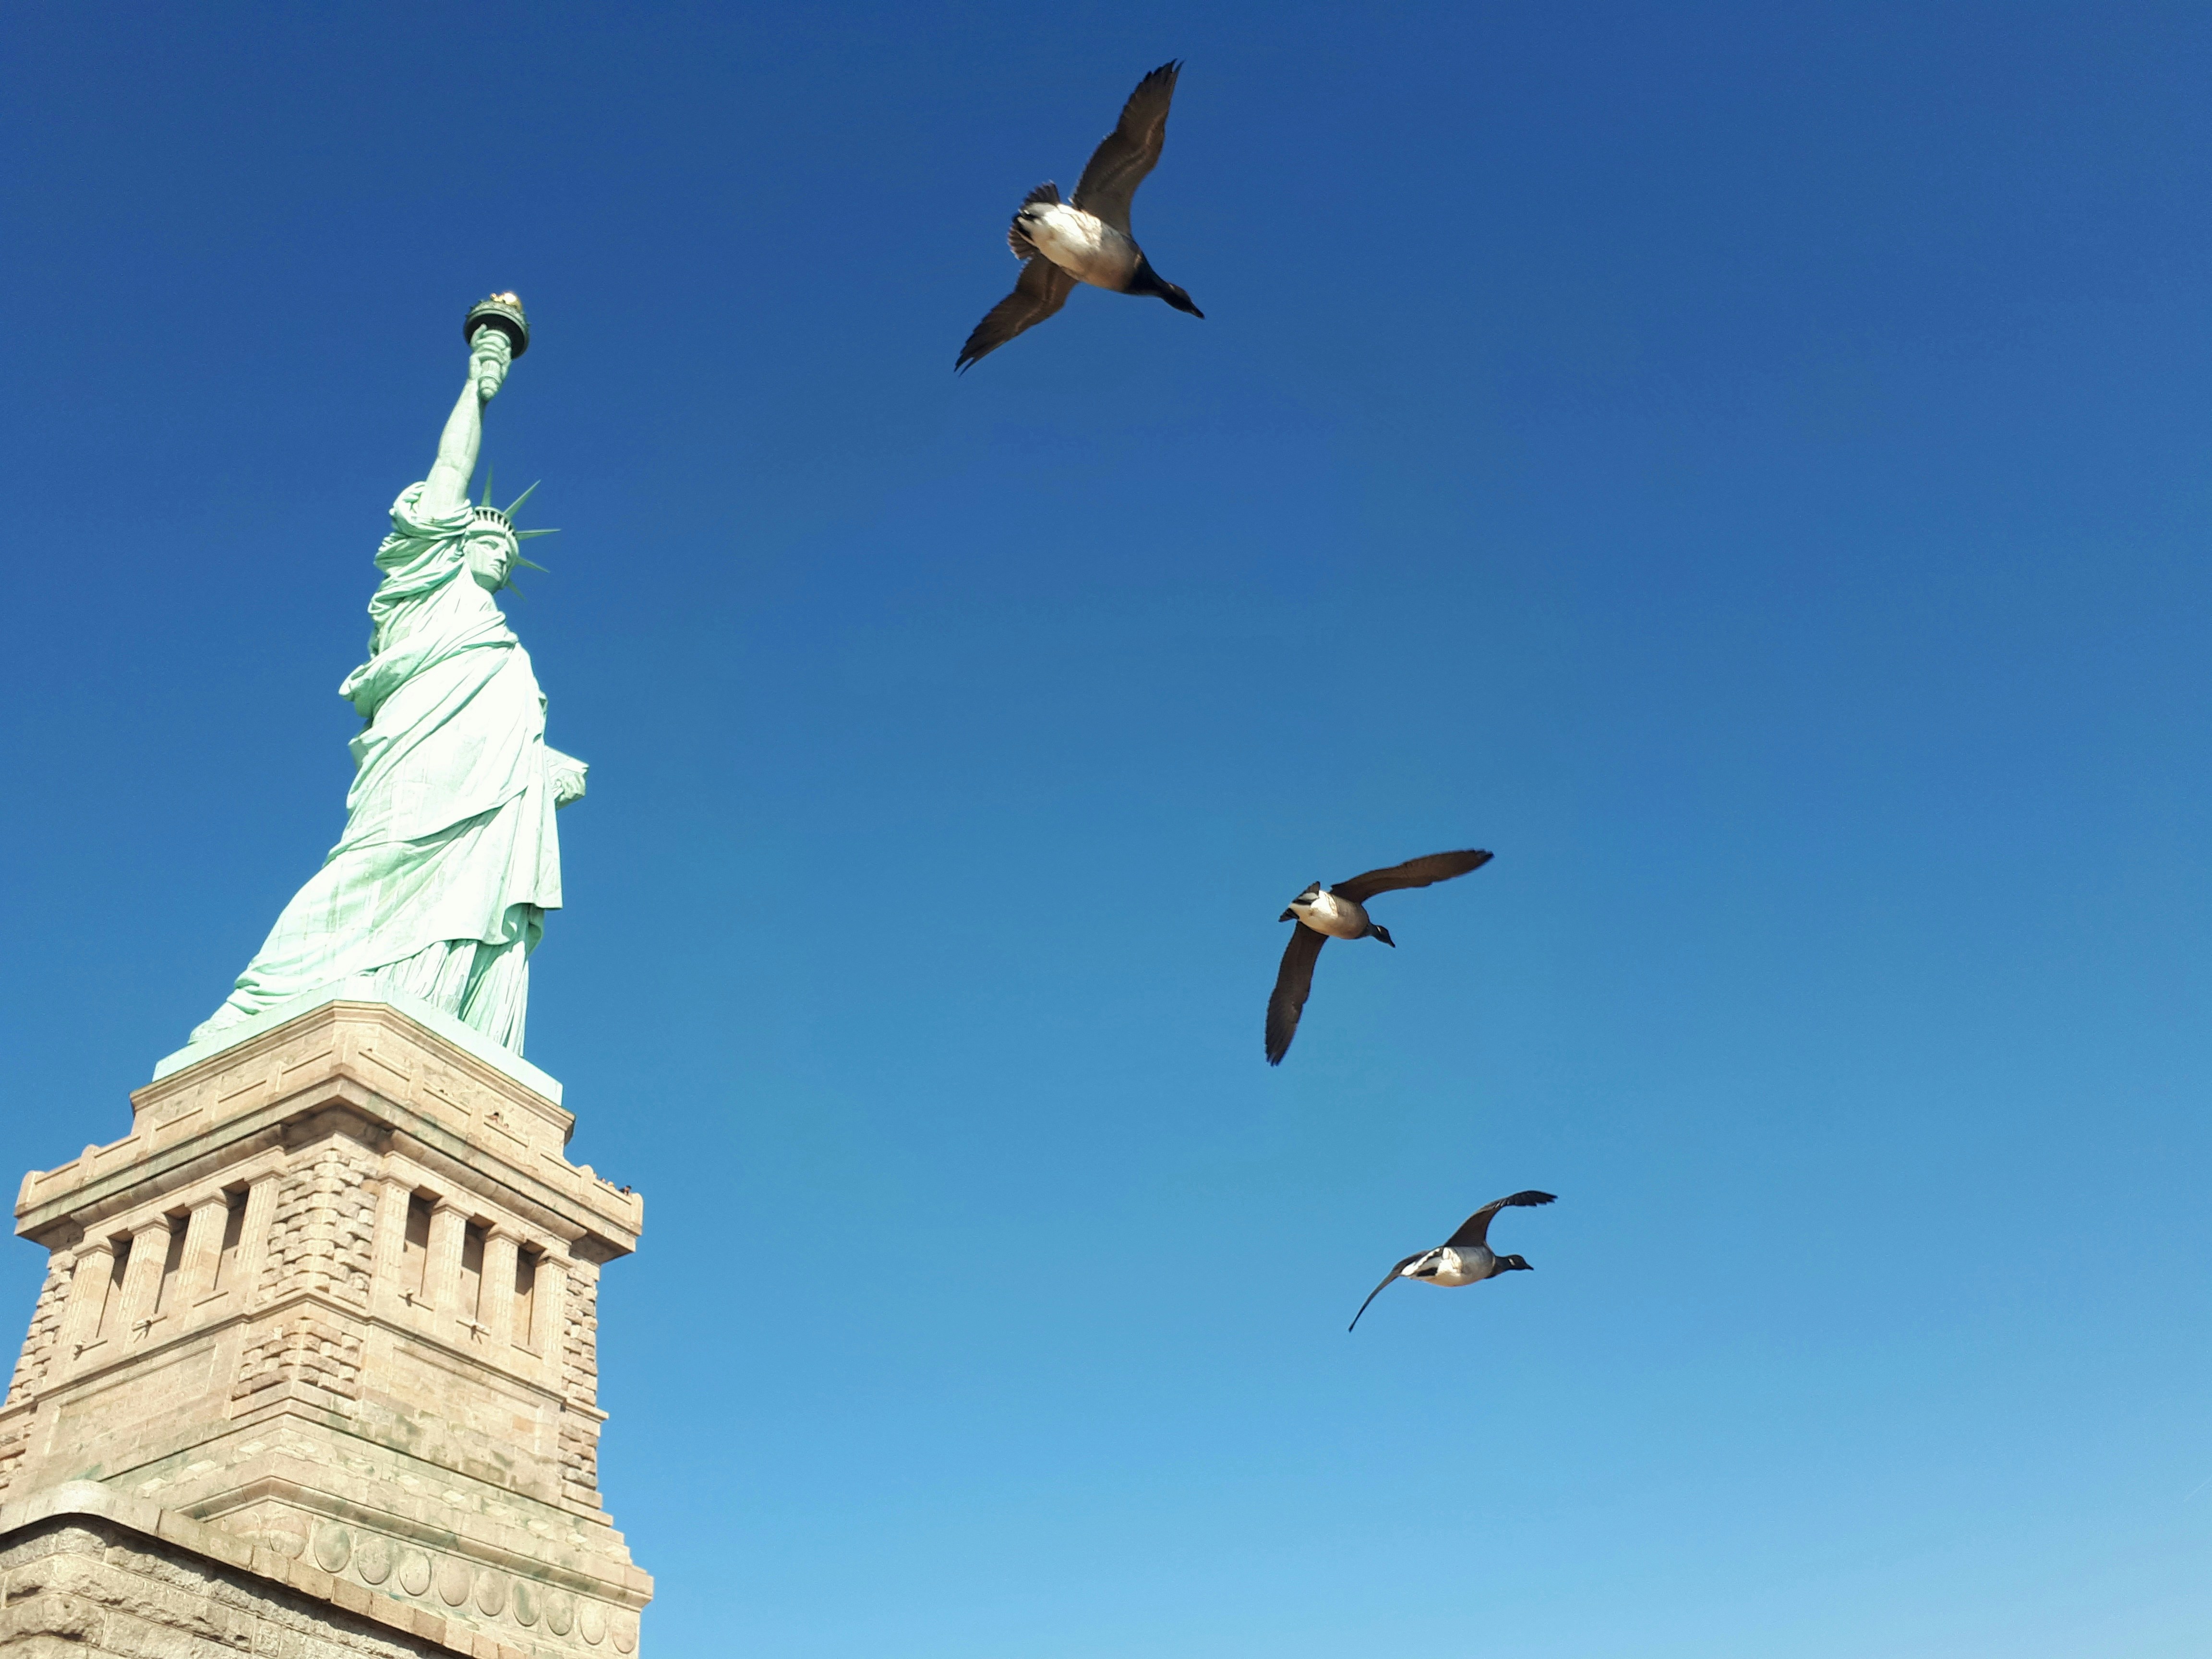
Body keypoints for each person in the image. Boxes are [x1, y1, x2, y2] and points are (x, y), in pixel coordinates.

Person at [192, 316, 584, 1054]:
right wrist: (480, 380)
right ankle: (263, 1002)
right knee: (374, 862)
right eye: (487, 540)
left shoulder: (505, 646)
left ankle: (442, 1016)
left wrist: (542, 768)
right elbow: (449, 471)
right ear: (451, 543)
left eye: (508, 548)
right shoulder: (423, 586)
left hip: (491, 792)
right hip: (417, 766)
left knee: (477, 901)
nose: (501, 553)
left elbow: (507, 728)